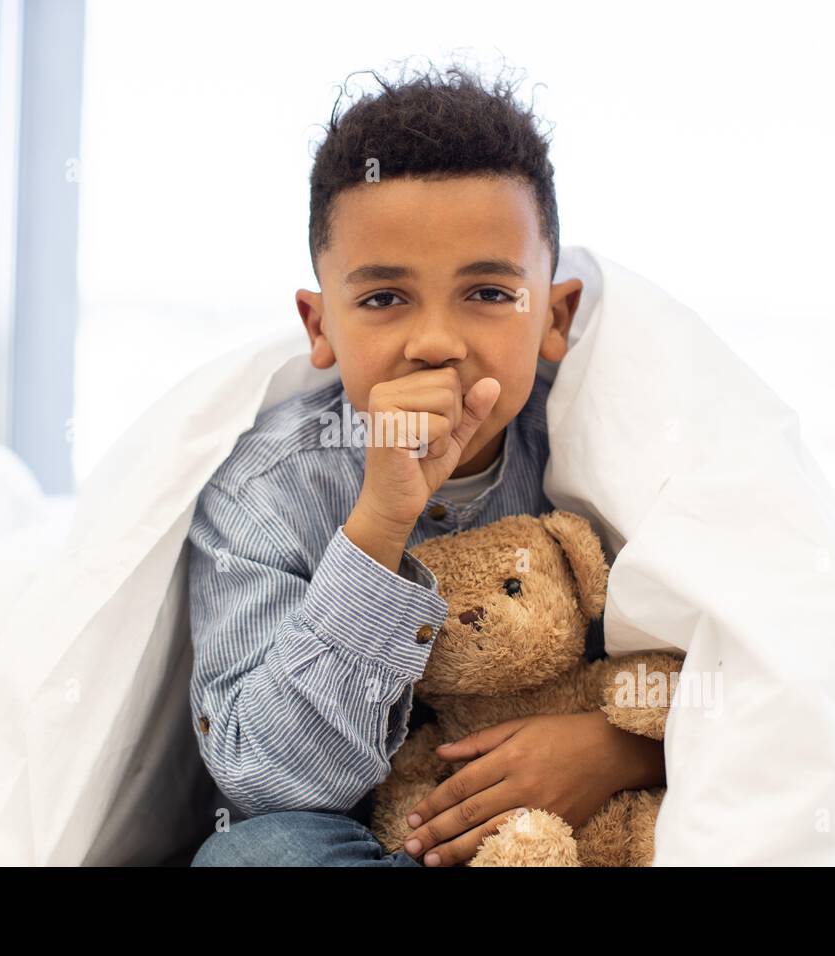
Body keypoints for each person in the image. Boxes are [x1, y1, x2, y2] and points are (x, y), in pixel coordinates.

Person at [188, 62, 665, 867]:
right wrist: (378, 524)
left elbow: (737, 663)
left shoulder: (610, 445)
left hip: (560, 829)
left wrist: (618, 750)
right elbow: (264, 781)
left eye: (486, 293)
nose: (436, 339)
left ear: (554, 316)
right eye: (383, 299)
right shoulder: (267, 494)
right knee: (252, 858)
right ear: (321, 327)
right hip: (367, 833)